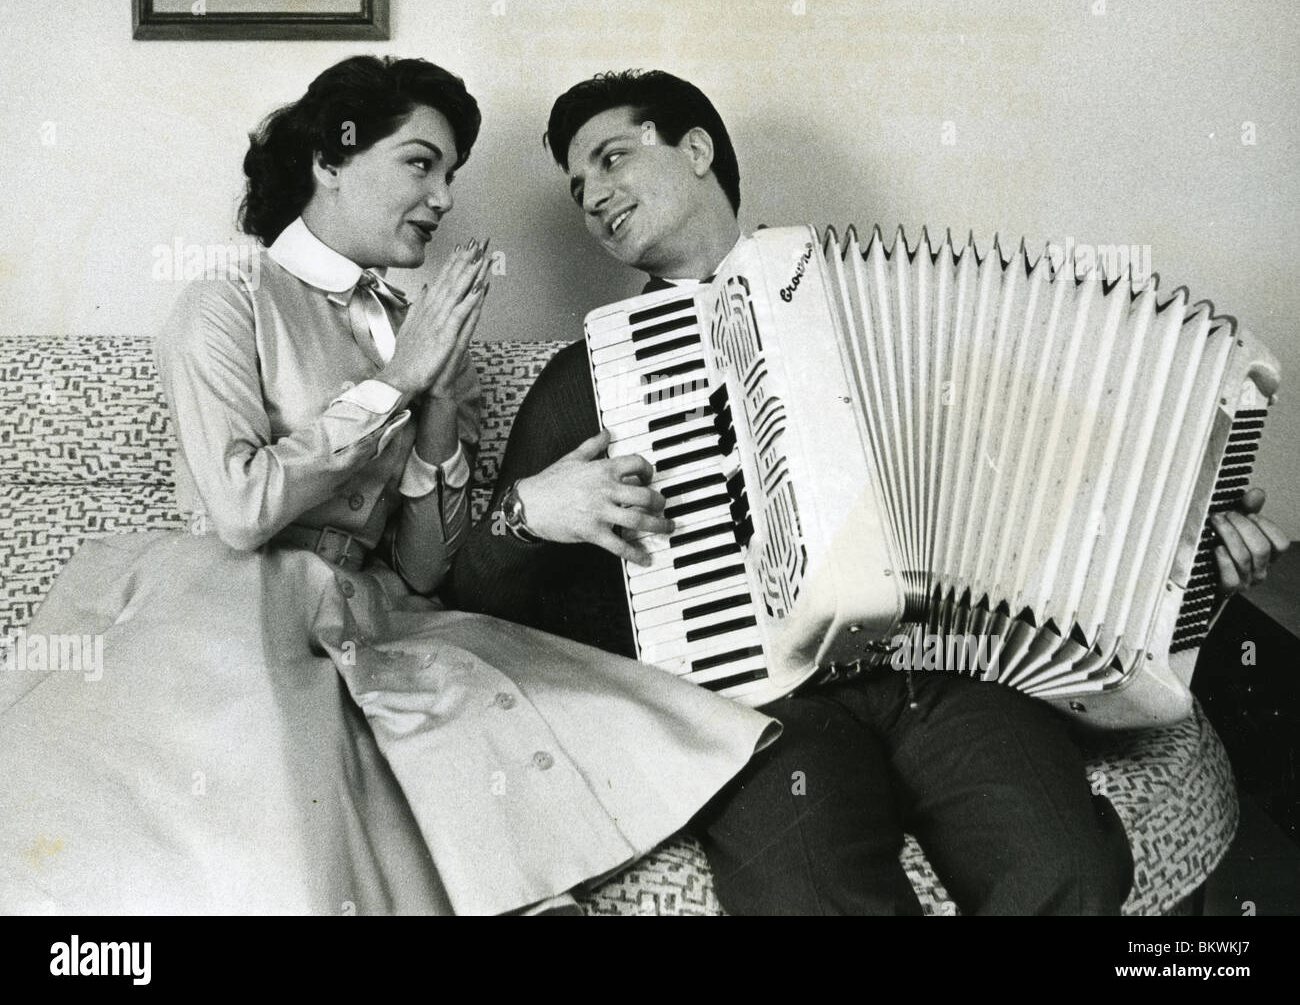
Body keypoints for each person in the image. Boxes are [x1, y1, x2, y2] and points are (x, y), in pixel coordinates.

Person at [449, 68, 1292, 915]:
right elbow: (473, 589)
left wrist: (1188, 544)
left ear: (696, 149)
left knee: (1066, 870)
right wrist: (528, 514)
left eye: (611, 158)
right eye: (577, 186)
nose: (593, 196)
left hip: (955, 666)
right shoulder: (594, 375)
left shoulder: (922, 305)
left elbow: (1059, 492)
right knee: (812, 899)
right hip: (766, 702)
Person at [0, 57, 776, 917]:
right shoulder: (226, 301)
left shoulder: (419, 327)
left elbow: (421, 569)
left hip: (371, 613)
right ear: (328, 163)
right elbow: (241, 507)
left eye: (450, 175)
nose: (443, 197)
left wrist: (440, 410)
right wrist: (398, 385)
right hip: (228, 602)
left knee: (610, 727)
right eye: (420, 163)